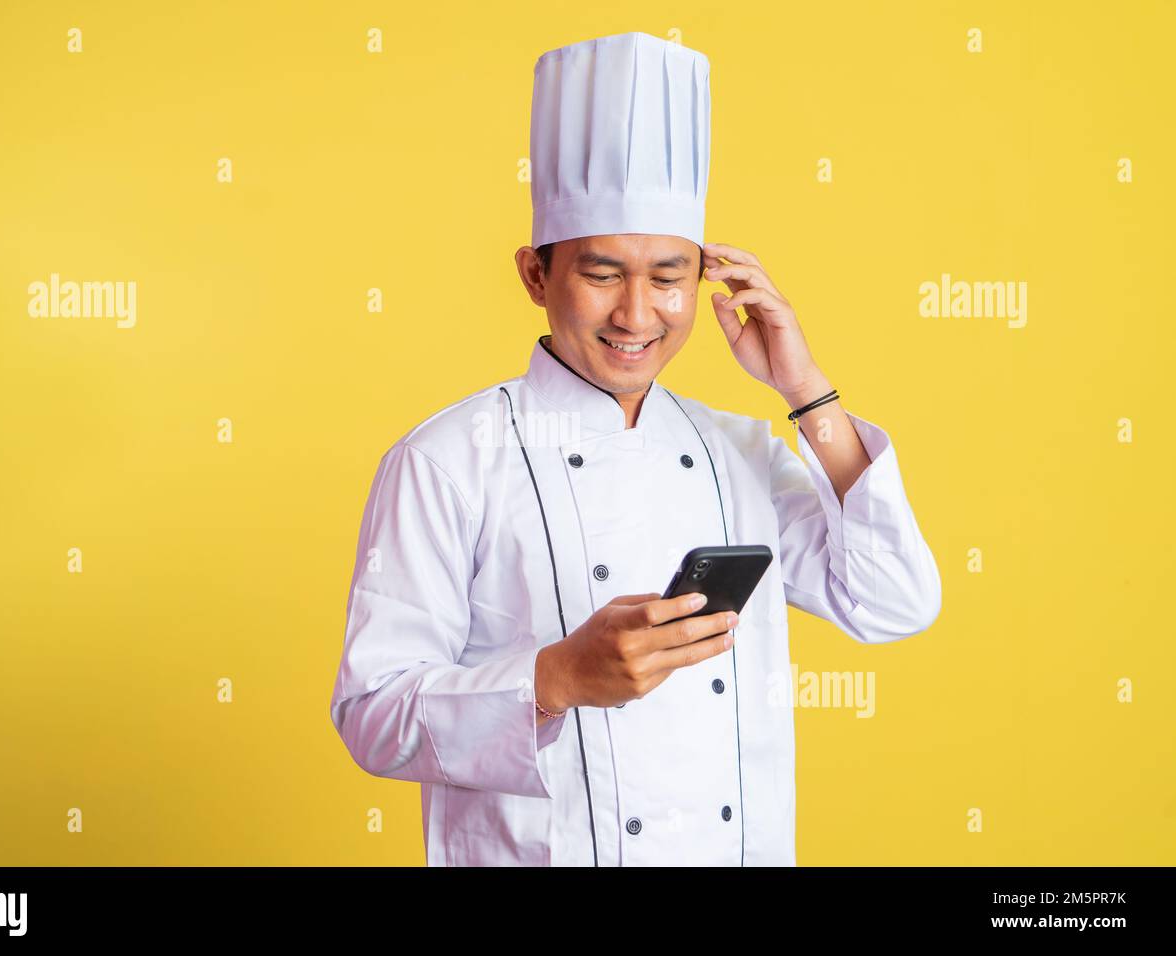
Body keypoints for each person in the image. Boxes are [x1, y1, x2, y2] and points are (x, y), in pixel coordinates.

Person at [329, 31, 941, 866]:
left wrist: (808, 392)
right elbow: (372, 714)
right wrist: (556, 679)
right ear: (536, 276)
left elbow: (893, 601)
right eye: (603, 272)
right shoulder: (447, 459)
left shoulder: (739, 452)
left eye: (669, 277)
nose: (638, 315)